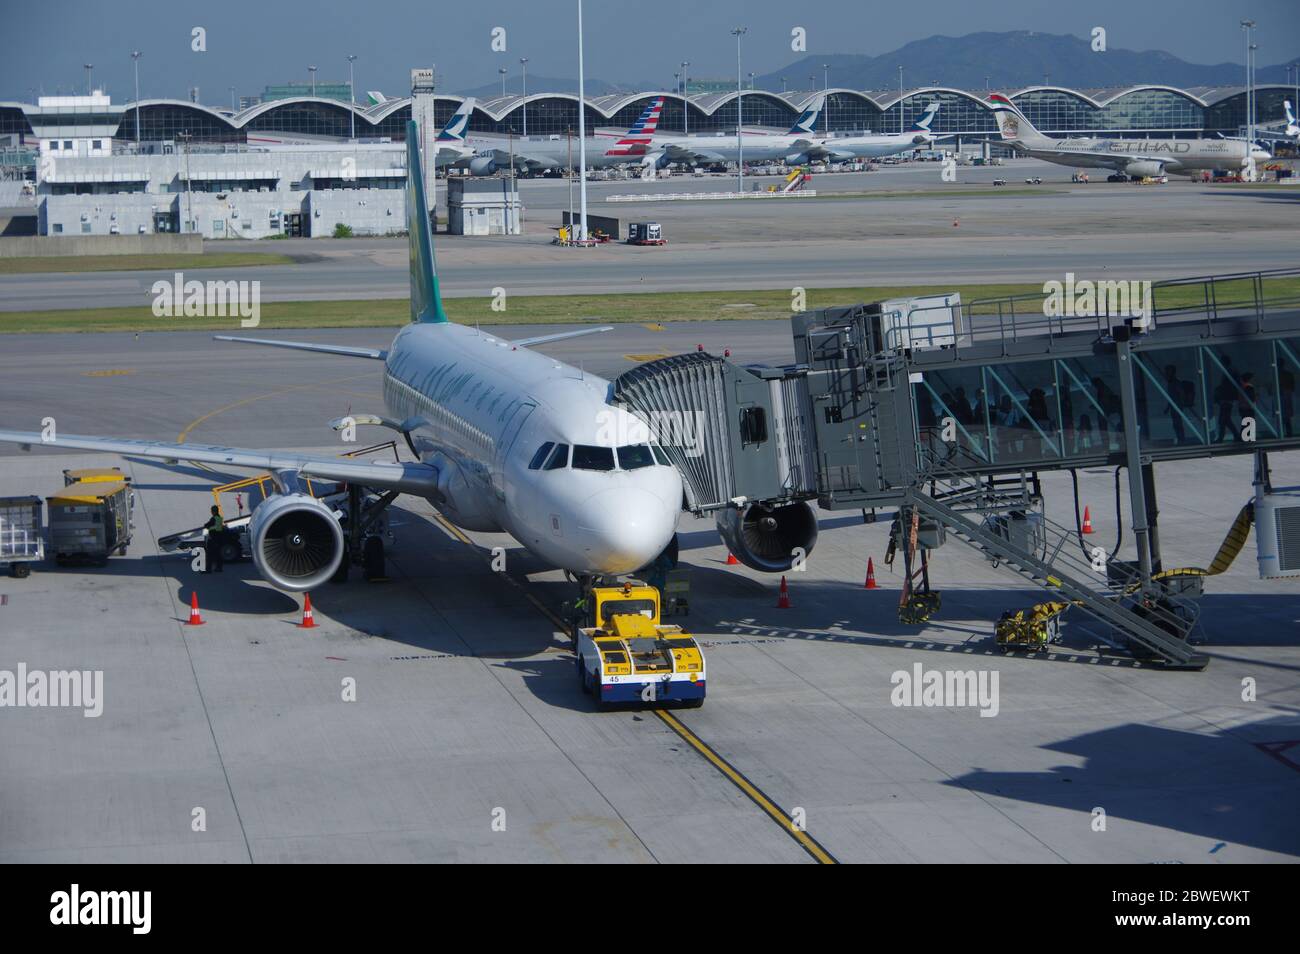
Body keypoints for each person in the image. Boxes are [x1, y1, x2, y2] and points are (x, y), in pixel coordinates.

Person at [203, 505, 225, 573]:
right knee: (218, 554)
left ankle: (208, 570)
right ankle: (219, 568)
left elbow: (207, 525)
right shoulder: (220, 518)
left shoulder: (213, 518)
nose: (211, 512)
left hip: (213, 538)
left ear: (214, 511)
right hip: (219, 538)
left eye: (212, 511)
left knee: (209, 555)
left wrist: (206, 525)